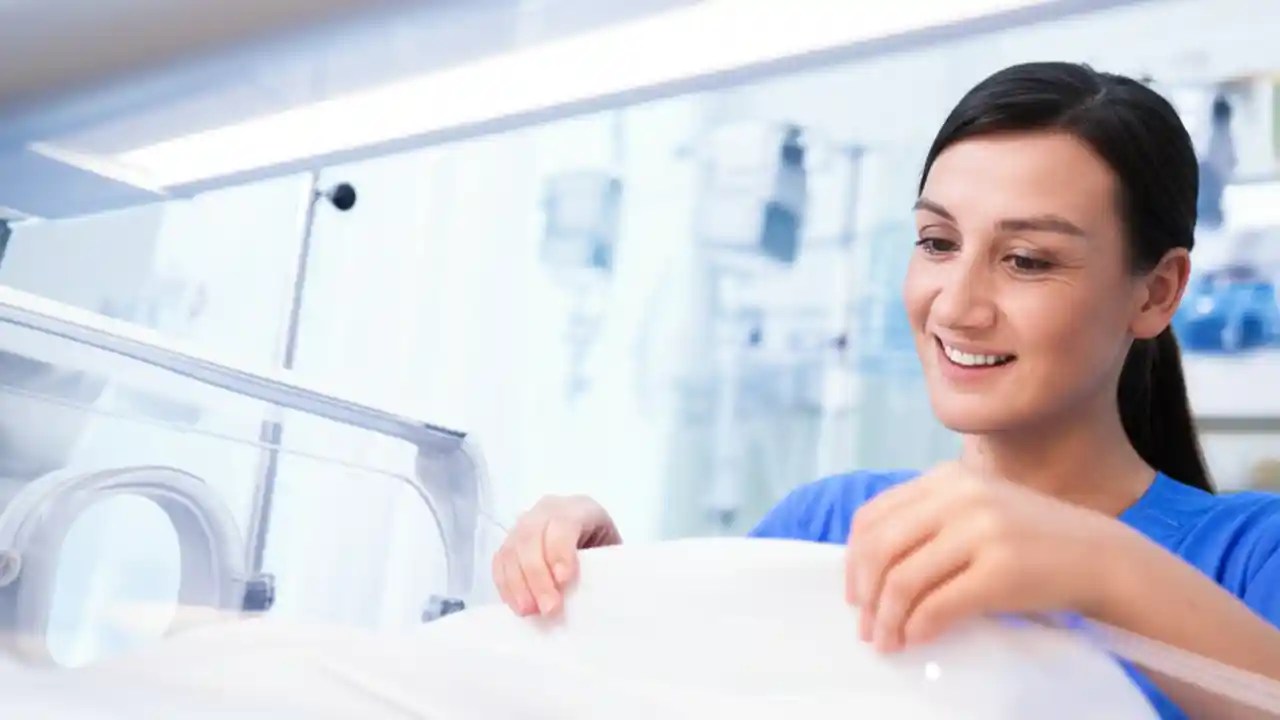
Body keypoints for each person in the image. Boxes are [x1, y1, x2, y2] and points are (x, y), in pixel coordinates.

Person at [491, 62, 1280, 719]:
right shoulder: (827, 526)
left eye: (1027, 260)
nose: (957, 306)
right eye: (938, 242)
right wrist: (607, 598)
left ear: (1156, 292)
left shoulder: (1252, 554)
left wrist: (1095, 565)